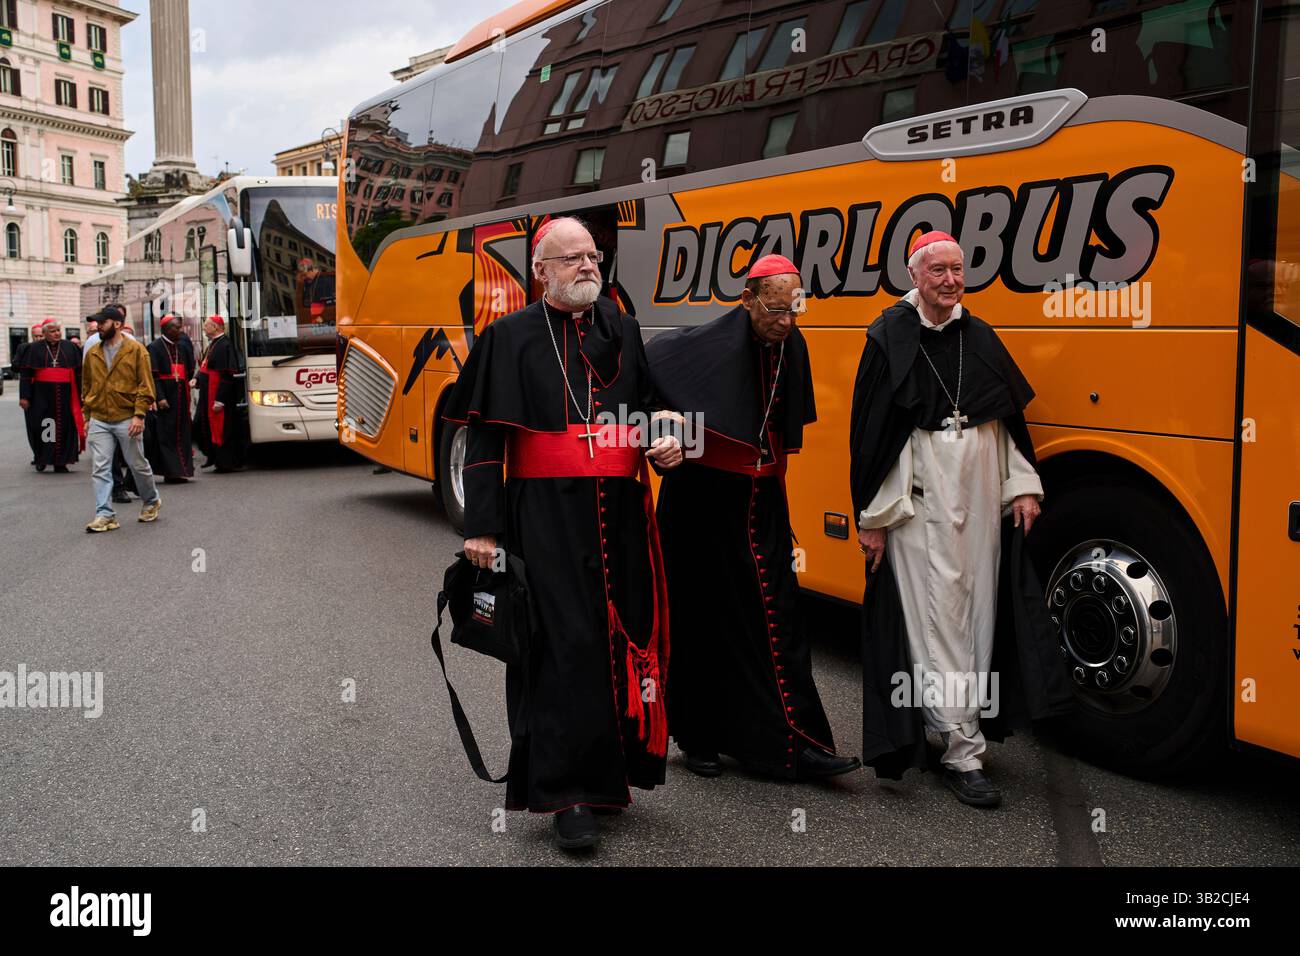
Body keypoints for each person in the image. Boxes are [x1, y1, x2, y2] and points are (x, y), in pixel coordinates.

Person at [444, 216, 684, 852]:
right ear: (540, 271)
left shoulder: (624, 330)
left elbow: (657, 406)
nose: (587, 266)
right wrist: (484, 529)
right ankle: (566, 793)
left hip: (621, 513)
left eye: (592, 256)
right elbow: (487, 439)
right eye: (571, 258)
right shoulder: (508, 337)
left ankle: (613, 775)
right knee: (558, 646)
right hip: (543, 514)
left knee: (618, 640)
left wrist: (667, 438)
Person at [849, 231, 1073, 807]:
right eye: (938, 271)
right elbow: (873, 439)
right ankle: (961, 750)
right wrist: (872, 518)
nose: (950, 281)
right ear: (915, 275)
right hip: (919, 511)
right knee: (939, 623)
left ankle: (951, 727)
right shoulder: (888, 337)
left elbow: (1006, 426)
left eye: (958, 269)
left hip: (979, 509)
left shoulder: (982, 337)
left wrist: (1022, 487)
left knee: (978, 619)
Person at [647, 254, 860, 782]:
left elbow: (779, 436)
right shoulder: (693, 346)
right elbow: (646, 401)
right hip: (702, 503)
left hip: (761, 502)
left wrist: (780, 502)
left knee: (777, 620)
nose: (786, 322)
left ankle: (795, 744)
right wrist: (661, 431)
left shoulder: (793, 344)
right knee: (701, 619)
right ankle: (697, 738)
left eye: (795, 309)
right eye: (776, 310)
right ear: (746, 299)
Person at [81, 308, 161, 532]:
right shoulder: (93, 352)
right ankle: (105, 515)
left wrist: (139, 415)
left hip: (127, 416)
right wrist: (87, 415)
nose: (98, 327)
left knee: (137, 464)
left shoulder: (136, 350)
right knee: (100, 467)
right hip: (99, 417)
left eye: (102, 322)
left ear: (116, 324)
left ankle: (151, 500)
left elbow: (146, 386)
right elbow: (86, 385)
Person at [18, 318, 83, 473]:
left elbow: (79, 373)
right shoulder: (33, 349)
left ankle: (61, 462)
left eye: (58, 330)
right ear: (45, 333)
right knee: (45, 427)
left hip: (67, 394)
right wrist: (25, 396)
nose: (57, 333)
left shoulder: (70, 347)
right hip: (41, 395)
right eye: (53, 331)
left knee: (65, 427)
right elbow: (26, 374)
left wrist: (82, 395)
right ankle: (43, 458)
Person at [145, 314, 196, 483]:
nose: (180, 330)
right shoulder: (155, 347)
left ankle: (183, 470)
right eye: (176, 327)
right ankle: (170, 472)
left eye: (180, 327)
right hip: (166, 396)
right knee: (167, 435)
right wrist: (160, 397)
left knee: (183, 433)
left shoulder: (181, 346)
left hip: (181, 396)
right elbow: (154, 375)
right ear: (166, 329)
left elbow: (188, 369)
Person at [192, 315, 247, 472]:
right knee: (200, 427)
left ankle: (225, 462)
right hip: (207, 393)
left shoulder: (224, 345)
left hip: (218, 395)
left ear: (215, 327)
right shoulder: (213, 344)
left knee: (223, 429)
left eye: (206, 325)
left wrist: (219, 400)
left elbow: (226, 375)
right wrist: (196, 379)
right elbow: (205, 366)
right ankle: (213, 456)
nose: (204, 328)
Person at [14, 323, 43, 465]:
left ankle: (47, 453)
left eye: (40, 336)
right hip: (30, 391)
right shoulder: (24, 348)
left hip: (45, 393)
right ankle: (38, 453)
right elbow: (16, 367)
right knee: (33, 426)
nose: (38, 338)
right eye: (35, 336)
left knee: (48, 424)